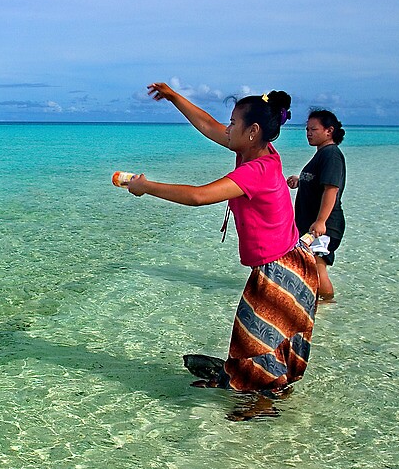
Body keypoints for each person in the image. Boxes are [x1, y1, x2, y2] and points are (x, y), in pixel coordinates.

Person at [125, 82, 319, 420]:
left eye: (232, 123)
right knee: (265, 338)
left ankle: (261, 404)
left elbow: (198, 196)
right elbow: (207, 124)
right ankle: (270, 391)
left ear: (252, 131)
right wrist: (174, 97)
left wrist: (145, 187)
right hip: (291, 261)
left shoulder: (256, 170)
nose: (226, 129)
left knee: (254, 341)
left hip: (281, 271)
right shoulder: (258, 152)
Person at [287, 110, 346, 302]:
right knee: (309, 267)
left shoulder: (331, 155)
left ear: (329, 131)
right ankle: (315, 304)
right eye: (307, 129)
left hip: (324, 225)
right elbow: (319, 182)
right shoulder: (321, 154)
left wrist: (321, 221)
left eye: (314, 129)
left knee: (318, 268)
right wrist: (300, 181)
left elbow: (331, 189)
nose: (309, 133)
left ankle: (328, 303)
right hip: (312, 224)